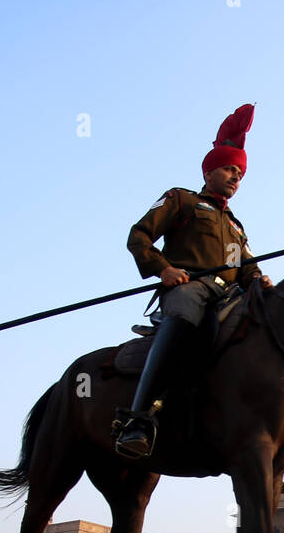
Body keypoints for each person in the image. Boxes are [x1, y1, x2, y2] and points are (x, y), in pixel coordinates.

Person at [114, 103, 272, 459]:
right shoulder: (182, 200)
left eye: (240, 174)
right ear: (211, 171)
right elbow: (139, 236)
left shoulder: (235, 226)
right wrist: (163, 269)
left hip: (228, 294)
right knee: (186, 308)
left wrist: (260, 280)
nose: (236, 177)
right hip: (188, 286)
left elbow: (244, 267)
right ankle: (138, 420)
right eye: (230, 170)